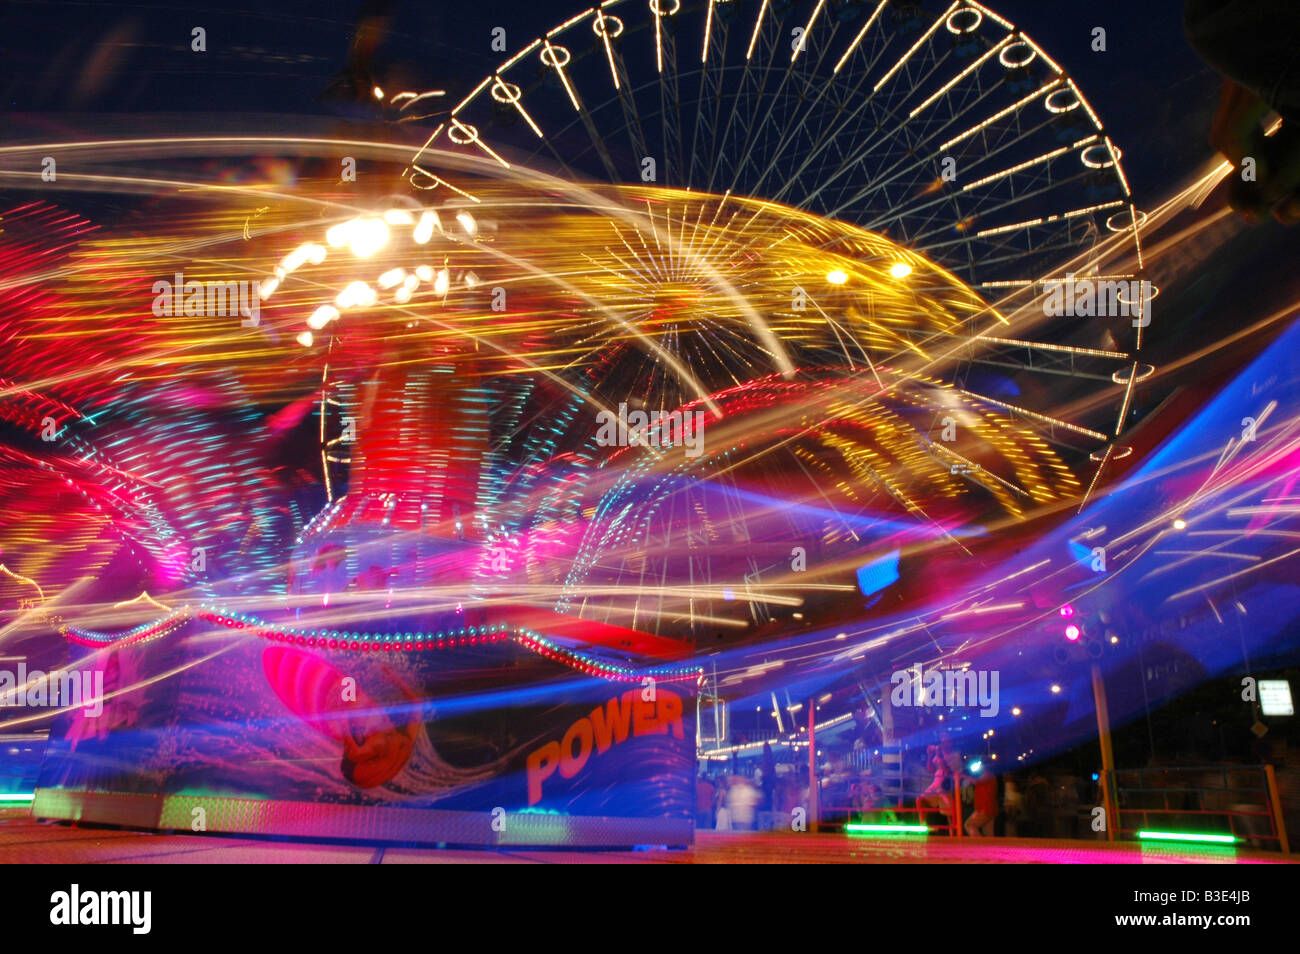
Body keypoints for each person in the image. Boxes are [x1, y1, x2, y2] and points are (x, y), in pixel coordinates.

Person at [965, 761, 999, 836]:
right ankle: (988, 847)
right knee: (988, 834)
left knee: (969, 825)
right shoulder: (990, 776)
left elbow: (975, 781)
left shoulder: (988, 775)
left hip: (985, 808)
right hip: (989, 808)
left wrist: (962, 776)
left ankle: (978, 844)